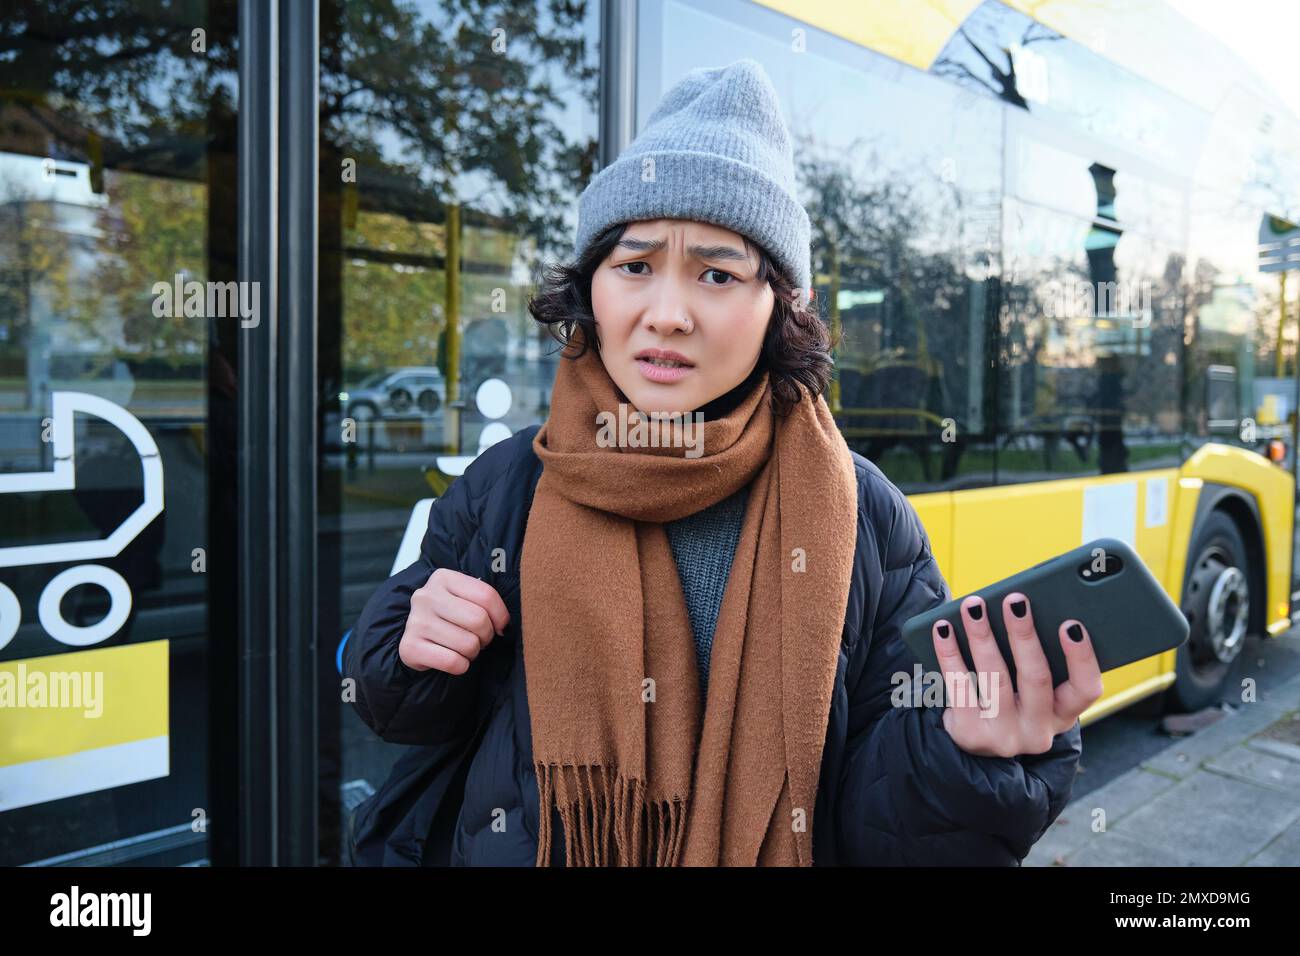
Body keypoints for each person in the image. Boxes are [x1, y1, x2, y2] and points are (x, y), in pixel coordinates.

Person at [344, 58, 1101, 867]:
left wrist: (966, 758)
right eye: (634, 266)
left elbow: (884, 824)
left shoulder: (865, 517)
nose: (666, 314)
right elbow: (400, 712)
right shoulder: (511, 482)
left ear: (781, 306)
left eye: (717, 273)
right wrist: (411, 646)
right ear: (592, 288)